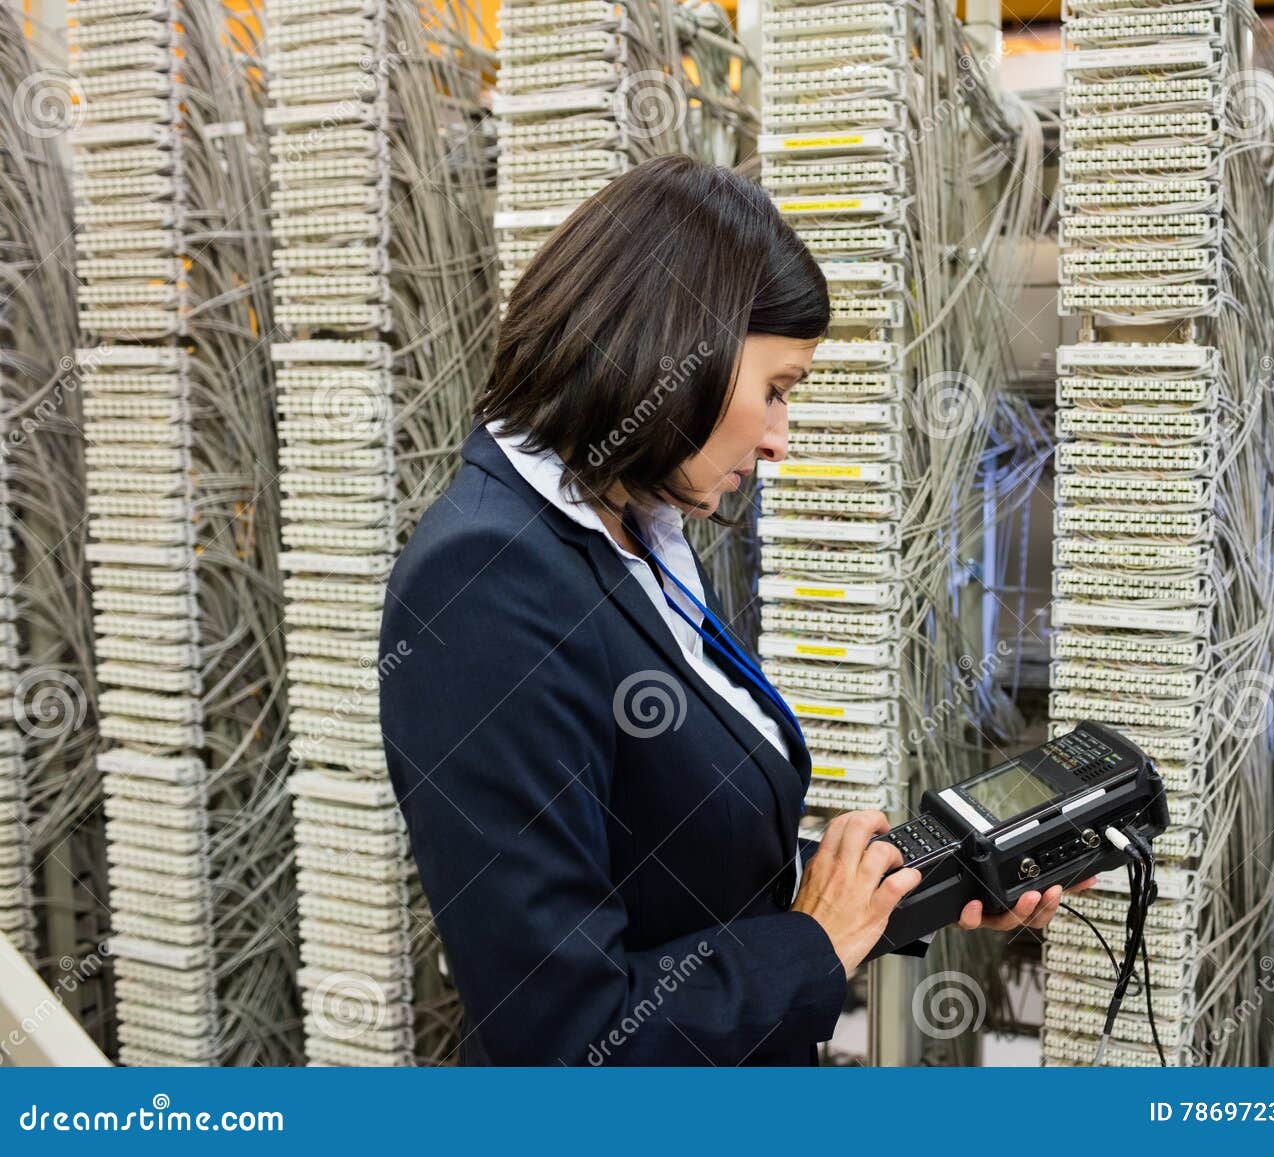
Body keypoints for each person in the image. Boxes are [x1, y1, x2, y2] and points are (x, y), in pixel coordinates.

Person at [379, 155, 1076, 1066]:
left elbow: (666, 853)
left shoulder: (635, 531)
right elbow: (561, 1035)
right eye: (777, 389)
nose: (781, 438)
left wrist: (902, 885)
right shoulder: (487, 579)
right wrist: (812, 944)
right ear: (682, 347)